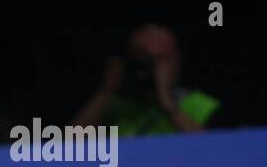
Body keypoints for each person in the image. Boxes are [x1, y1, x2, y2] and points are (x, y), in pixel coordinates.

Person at [71, 23, 219, 135]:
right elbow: (67, 150)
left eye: (158, 60)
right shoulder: (114, 105)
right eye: (139, 58)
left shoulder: (199, 105)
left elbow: (215, 153)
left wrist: (168, 104)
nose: (146, 68)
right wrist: (106, 91)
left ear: (176, 64)